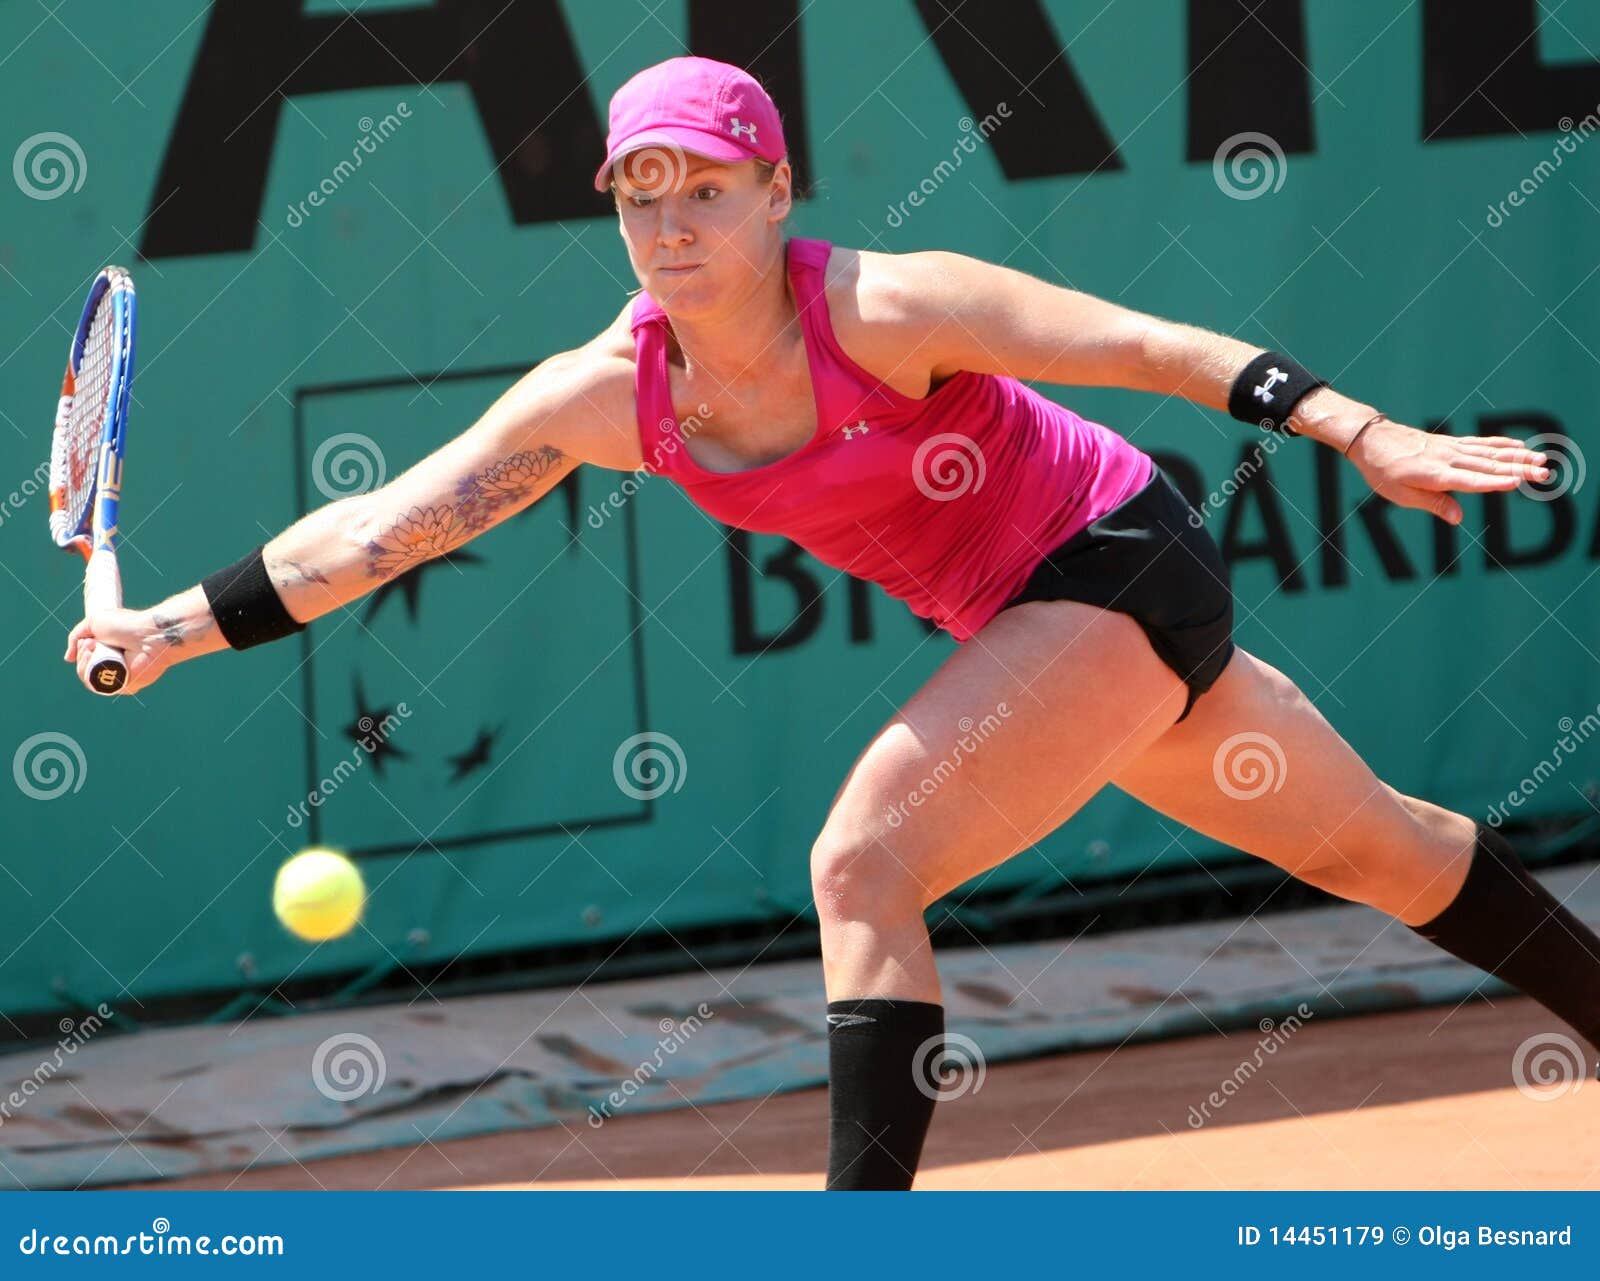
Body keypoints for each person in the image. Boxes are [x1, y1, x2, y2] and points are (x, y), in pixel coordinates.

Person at [65, 56, 1600, 1191]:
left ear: (778, 189)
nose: (670, 222)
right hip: (1038, 619)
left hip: (1115, 558)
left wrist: (1362, 431)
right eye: (638, 193)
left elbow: (1145, 343)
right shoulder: (608, 397)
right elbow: (374, 530)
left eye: (706, 188)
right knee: (1384, 849)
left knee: (865, 856)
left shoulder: (886, 304)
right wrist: (174, 630)